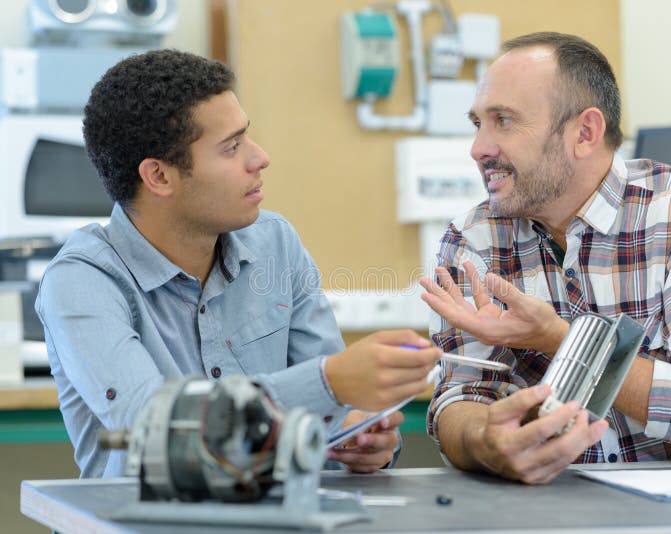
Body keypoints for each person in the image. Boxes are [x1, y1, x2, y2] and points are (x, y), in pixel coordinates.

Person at [36, 49, 440, 478]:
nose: (259, 157)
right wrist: (328, 384)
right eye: (231, 147)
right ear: (158, 177)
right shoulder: (81, 280)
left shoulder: (274, 242)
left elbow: (334, 416)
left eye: (246, 136)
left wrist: (360, 439)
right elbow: (151, 426)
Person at [419, 31, 671, 484]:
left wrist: (560, 341)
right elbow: (460, 396)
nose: (479, 148)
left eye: (503, 120)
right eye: (478, 123)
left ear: (584, 133)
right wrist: (485, 442)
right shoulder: (472, 239)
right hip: (552, 511)